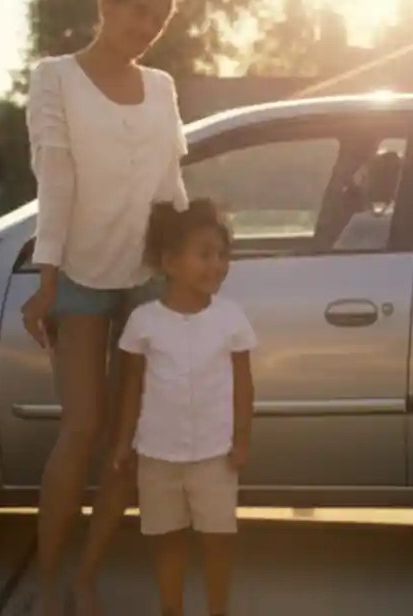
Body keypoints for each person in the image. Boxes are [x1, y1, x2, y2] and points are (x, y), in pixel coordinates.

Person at [19, 0, 188, 616]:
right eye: (138, 11)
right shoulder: (54, 77)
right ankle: (49, 577)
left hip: (147, 280)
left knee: (126, 442)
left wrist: (186, 270)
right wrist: (47, 279)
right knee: (82, 427)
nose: (145, 28)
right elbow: (54, 178)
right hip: (83, 280)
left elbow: (170, 184)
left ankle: (87, 578)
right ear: (106, 2)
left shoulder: (163, 86)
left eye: (158, 20)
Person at [112, 199, 257, 616]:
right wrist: (124, 443)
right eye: (205, 254)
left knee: (217, 541)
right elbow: (132, 387)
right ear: (170, 262)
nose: (217, 265)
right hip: (157, 456)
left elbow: (244, 387)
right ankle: (171, 609)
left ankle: (217, 610)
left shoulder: (231, 319)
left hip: (216, 456)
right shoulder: (144, 321)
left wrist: (242, 440)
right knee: (168, 540)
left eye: (222, 254)